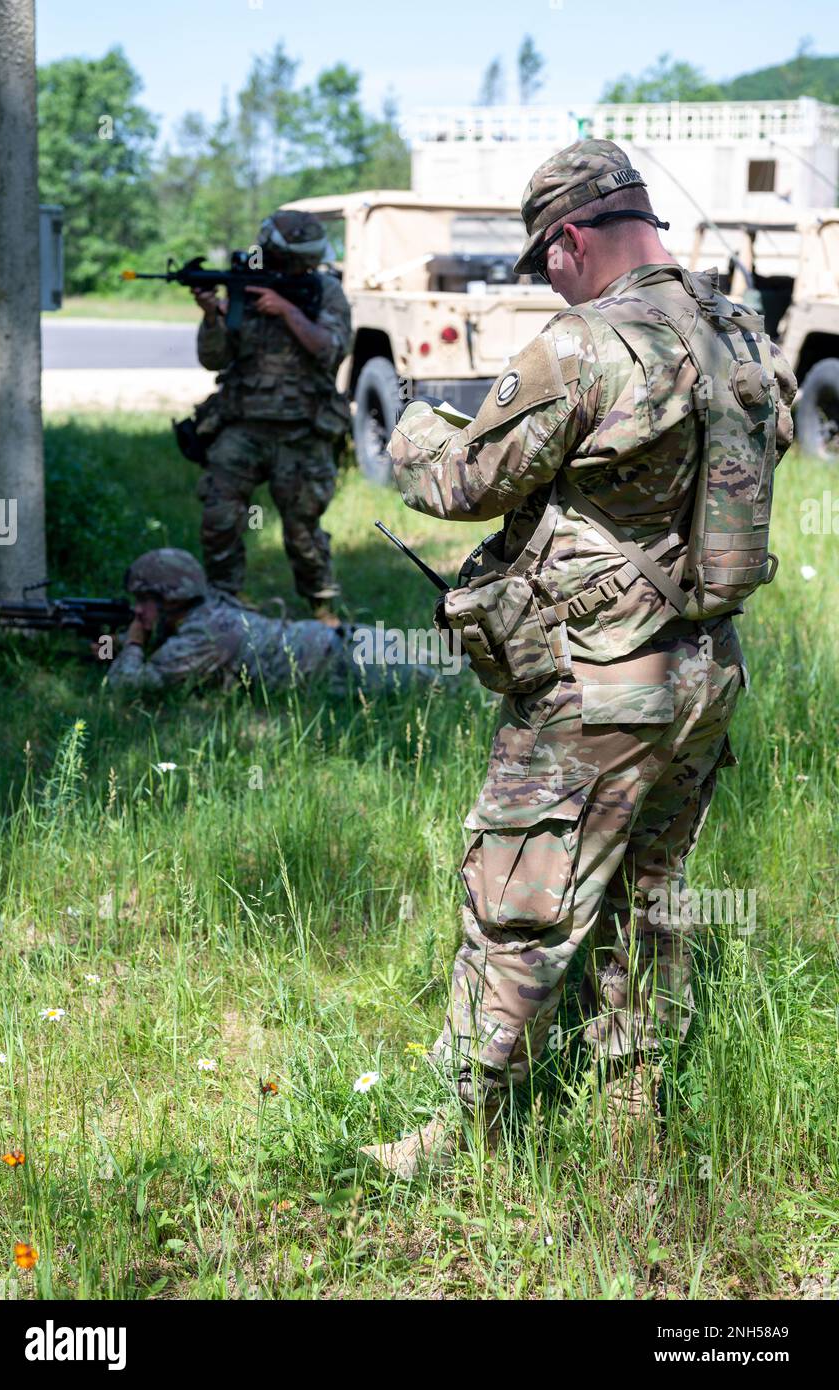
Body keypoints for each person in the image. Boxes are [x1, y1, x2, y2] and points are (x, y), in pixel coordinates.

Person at [361, 139, 797, 1178]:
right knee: (652, 897)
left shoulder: (587, 346)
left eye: (539, 257)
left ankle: (461, 1133)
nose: (543, 277)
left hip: (598, 684)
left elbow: (465, 483)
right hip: (704, 673)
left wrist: (413, 427)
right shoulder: (735, 330)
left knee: (520, 900)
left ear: (568, 239)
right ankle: (631, 1116)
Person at [191, 210, 352, 627]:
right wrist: (213, 315)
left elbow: (330, 349)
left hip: (303, 428)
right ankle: (225, 598)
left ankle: (322, 606)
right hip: (243, 426)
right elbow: (214, 359)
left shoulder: (325, 292)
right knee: (220, 515)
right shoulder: (243, 289)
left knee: (302, 528)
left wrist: (285, 310)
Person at [105, 548, 439, 696]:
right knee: (452, 663)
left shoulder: (204, 635)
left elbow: (131, 688)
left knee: (453, 683)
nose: (138, 611)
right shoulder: (208, 611)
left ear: (170, 599)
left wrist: (134, 642)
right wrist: (119, 644)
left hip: (351, 666)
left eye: (144, 601)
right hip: (350, 645)